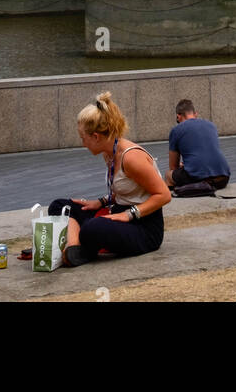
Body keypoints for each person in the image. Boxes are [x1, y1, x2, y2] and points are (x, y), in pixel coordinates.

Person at [48, 91, 171, 265]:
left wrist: (128, 215)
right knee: (60, 206)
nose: (83, 144)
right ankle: (74, 247)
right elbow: (129, 188)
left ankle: (80, 244)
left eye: (83, 138)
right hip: (117, 212)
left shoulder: (131, 158)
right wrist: (101, 202)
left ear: (96, 137)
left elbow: (164, 195)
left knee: (93, 227)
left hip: (143, 227)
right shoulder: (110, 152)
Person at [165, 99, 231, 189]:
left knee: (168, 175)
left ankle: (176, 200)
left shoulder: (176, 130)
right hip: (223, 178)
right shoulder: (211, 125)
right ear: (195, 114)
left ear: (178, 116)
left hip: (199, 179)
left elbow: (173, 167)